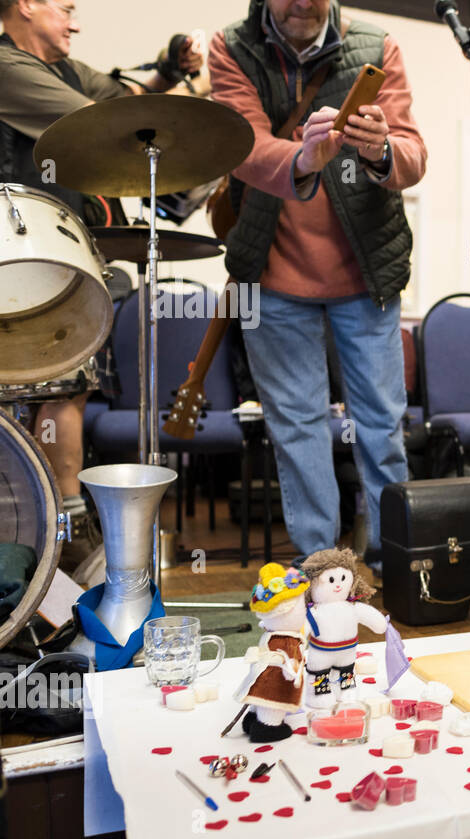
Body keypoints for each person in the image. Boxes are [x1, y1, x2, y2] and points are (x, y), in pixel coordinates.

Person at [208, 0, 426, 568]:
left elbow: (412, 154)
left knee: (381, 425)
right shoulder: (232, 46)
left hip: (367, 273)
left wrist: (381, 148)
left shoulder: (378, 45)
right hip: (271, 275)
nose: (302, 1)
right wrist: (303, 159)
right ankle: (323, 569)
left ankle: (390, 561)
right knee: (297, 430)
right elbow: (240, 145)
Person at [0, 0, 203, 534]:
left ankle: (66, 526)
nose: (76, 21)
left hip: (62, 260)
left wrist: (168, 67)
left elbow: (123, 97)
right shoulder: (7, 67)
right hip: (16, 259)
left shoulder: (67, 69)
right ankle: (34, 530)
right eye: (65, 8)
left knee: (68, 385)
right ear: (25, 5)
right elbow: (99, 122)